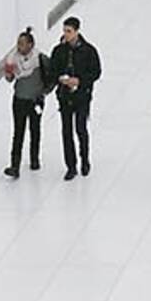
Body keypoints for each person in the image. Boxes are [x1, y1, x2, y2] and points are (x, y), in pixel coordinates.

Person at [49, 16, 100, 181]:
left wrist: (79, 80)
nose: (66, 34)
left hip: (81, 96)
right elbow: (53, 70)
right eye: (64, 31)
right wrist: (61, 79)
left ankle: (85, 160)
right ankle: (70, 165)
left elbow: (95, 72)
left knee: (81, 128)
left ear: (77, 31)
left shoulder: (88, 51)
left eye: (69, 31)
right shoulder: (59, 51)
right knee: (66, 131)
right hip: (64, 96)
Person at [0, 28, 52, 179]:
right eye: (18, 43)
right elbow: (10, 79)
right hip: (19, 99)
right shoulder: (13, 59)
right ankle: (15, 165)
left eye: (22, 43)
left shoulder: (40, 59)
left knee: (35, 130)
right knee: (18, 132)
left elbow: (51, 75)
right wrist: (8, 74)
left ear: (30, 45)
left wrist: (45, 92)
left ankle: (34, 159)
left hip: (35, 99)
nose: (19, 46)